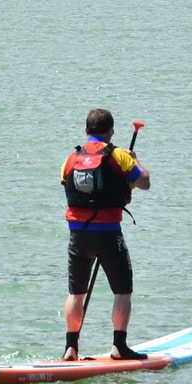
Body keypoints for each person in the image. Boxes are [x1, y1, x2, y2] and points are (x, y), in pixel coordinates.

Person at [60, 108, 151, 362]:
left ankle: (70, 348)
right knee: (122, 291)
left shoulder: (70, 159)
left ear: (86, 131)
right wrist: (135, 160)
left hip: (78, 235)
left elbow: (69, 192)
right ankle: (119, 347)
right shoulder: (119, 156)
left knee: (76, 292)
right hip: (109, 233)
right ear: (110, 132)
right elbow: (144, 182)